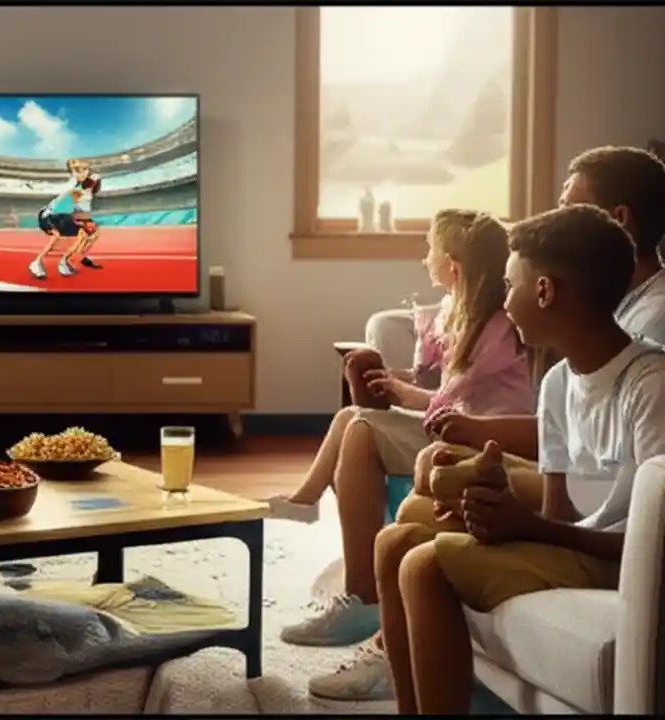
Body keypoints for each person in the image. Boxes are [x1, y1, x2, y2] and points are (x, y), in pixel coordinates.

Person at [306, 144, 665, 702]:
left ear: (545, 291)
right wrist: (503, 504)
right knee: (396, 539)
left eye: (511, 285)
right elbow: (556, 511)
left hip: (623, 560)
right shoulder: (557, 383)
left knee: (423, 564)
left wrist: (524, 527)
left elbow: (644, 542)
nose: (504, 300)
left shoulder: (649, 385)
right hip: (579, 539)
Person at [270, 210, 535, 652]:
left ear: (452, 264)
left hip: (481, 437)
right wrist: (397, 379)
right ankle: (307, 503)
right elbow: (432, 381)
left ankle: (359, 593)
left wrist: (396, 390)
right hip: (452, 425)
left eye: (429, 249)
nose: (423, 259)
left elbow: (444, 400)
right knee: (350, 420)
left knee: (358, 425)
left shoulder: (496, 329)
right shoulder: (455, 311)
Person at [29, 169, 86, 280]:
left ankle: (64, 262)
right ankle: (37, 263)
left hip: (61, 217)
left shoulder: (80, 194)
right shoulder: (70, 191)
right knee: (57, 237)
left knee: (83, 234)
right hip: (49, 216)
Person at [60, 159, 104, 271]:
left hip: (85, 216)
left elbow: (94, 188)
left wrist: (97, 179)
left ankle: (82, 257)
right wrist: (94, 177)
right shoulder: (77, 185)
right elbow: (82, 186)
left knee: (93, 236)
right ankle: (65, 262)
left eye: (86, 170)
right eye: (82, 170)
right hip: (79, 216)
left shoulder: (86, 186)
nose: (85, 172)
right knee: (82, 239)